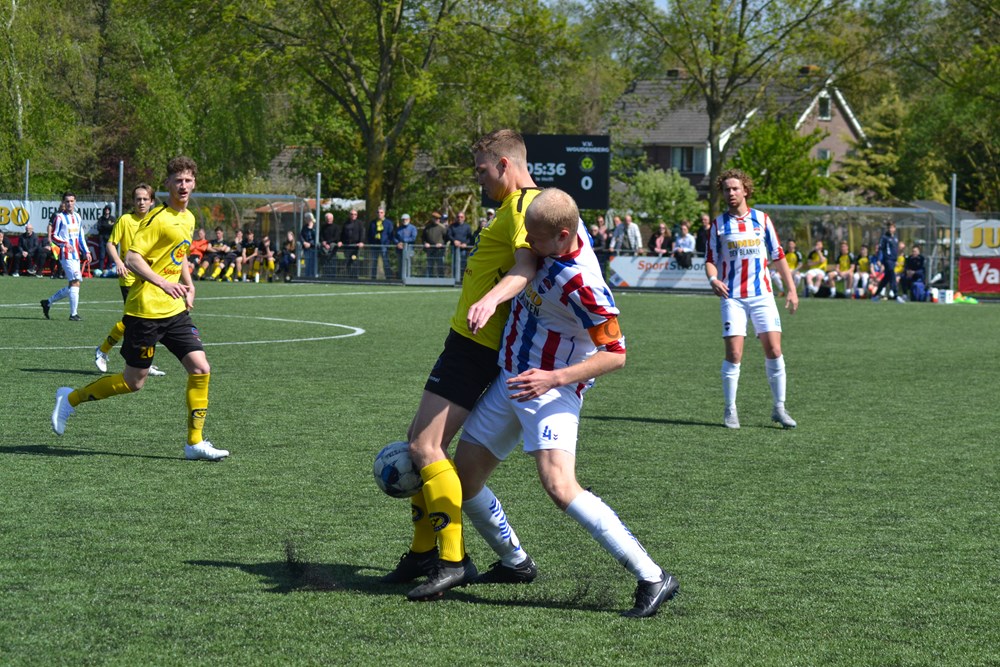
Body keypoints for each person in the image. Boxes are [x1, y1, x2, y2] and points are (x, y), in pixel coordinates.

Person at [453, 188, 679, 618]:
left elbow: (616, 354)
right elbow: (527, 257)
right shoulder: (549, 235)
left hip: (552, 386)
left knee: (559, 486)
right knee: (464, 478)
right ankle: (515, 562)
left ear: (562, 236)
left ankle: (652, 576)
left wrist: (553, 378)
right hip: (514, 378)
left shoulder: (584, 283)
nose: (527, 245)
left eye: (535, 240)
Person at [383, 129, 540, 602]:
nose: (480, 179)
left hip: (476, 346)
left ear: (505, 165)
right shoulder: (515, 207)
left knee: (425, 446)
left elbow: (526, 265)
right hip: (468, 342)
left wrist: (491, 300)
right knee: (420, 446)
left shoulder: (522, 209)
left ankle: (452, 561)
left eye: (482, 169)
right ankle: (422, 552)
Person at [51, 155, 228, 461]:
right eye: (177, 180)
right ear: (168, 184)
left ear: (194, 183)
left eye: (188, 180)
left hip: (174, 311)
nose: (183, 186)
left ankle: (194, 443)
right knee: (134, 382)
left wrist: (189, 283)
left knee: (201, 368)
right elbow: (133, 258)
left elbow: (179, 254)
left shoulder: (188, 218)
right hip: (144, 310)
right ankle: (71, 398)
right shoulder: (157, 218)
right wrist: (163, 283)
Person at [705, 168, 798, 430]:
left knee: (774, 350)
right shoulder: (719, 225)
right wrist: (713, 280)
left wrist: (791, 289)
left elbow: (778, 256)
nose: (731, 193)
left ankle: (779, 408)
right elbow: (710, 261)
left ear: (745, 190)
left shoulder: (762, 220)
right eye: (726, 189)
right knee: (734, 353)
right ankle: (730, 410)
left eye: (735, 188)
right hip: (733, 298)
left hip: (762, 296)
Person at [93, 183, 165, 377]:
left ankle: (144, 361)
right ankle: (103, 351)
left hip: (149, 279)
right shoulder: (125, 220)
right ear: (133, 201)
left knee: (148, 321)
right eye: (138, 199)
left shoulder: (156, 220)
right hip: (129, 277)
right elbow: (110, 243)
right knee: (133, 321)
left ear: (151, 201)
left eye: (145, 199)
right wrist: (118, 261)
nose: (141, 202)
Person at [41, 192, 90, 321]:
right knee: (75, 282)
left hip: (76, 255)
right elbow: (55, 236)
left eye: (72, 201)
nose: (69, 204)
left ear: (75, 202)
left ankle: (48, 302)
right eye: (67, 201)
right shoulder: (60, 218)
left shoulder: (78, 217)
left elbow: (81, 237)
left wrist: (87, 251)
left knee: (73, 285)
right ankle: (73, 314)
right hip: (65, 255)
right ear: (63, 203)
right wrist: (65, 244)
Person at [872, 223, 901, 302]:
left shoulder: (895, 238)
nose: (890, 229)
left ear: (894, 229)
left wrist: (896, 260)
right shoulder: (884, 238)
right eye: (889, 227)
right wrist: (879, 259)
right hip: (887, 260)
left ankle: (875, 295)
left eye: (892, 227)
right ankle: (896, 295)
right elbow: (881, 249)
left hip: (893, 261)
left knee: (886, 279)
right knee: (892, 275)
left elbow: (895, 251)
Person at [367, 207, 394, 280]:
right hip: (374, 245)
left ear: (384, 213)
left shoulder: (388, 223)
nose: (380, 214)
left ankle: (388, 278)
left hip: (384, 245)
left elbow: (391, 235)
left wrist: (387, 243)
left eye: (381, 212)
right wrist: (371, 243)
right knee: (374, 262)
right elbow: (369, 234)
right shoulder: (373, 223)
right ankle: (373, 278)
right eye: (378, 212)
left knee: (386, 262)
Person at [447, 210, 473, 278]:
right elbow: (449, 235)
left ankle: (462, 278)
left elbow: (470, 237)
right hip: (454, 248)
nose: (460, 218)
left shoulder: (467, 227)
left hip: (463, 249)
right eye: (458, 217)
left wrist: (465, 244)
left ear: (464, 218)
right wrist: (454, 241)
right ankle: (454, 278)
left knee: (463, 263)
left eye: (461, 217)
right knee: (454, 263)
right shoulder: (452, 226)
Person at [340, 209, 365, 279]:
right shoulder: (346, 223)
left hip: (355, 247)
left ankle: (355, 277)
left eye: (355, 214)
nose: (353, 215)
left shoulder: (359, 223)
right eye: (352, 214)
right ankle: (349, 276)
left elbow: (362, 233)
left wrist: (361, 242)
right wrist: (340, 241)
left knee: (354, 260)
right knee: (348, 261)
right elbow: (342, 234)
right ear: (349, 215)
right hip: (347, 246)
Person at [421, 211, 447, 278]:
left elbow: (446, 238)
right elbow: (423, 237)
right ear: (432, 218)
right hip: (430, 250)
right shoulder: (427, 228)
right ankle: (430, 280)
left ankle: (442, 280)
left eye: (438, 218)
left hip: (439, 250)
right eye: (435, 218)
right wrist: (425, 243)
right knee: (430, 265)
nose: (437, 220)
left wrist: (441, 244)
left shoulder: (442, 228)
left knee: (440, 265)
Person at [319, 212, 341, 278]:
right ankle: (325, 276)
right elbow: (321, 236)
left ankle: (333, 276)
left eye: (330, 218)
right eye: (327, 218)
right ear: (325, 219)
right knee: (325, 262)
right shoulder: (323, 227)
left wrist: (328, 243)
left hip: (332, 248)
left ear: (332, 219)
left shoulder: (336, 227)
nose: (329, 220)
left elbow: (336, 237)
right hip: (324, 248)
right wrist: (323, 242)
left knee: (332, 262)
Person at [394, 213, 417, 277]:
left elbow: (413, 238)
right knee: (400, 264)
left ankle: (408, 278)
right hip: (400, 249)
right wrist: (398, 243)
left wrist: (404, 242)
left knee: (408, 264)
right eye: (403, 219)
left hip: (409, 249)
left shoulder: (413, 228)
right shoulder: (398, 228)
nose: (404, 221)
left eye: (406, 219)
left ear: (409, 219)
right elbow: (395, 237)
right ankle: (400, 278)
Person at [95, 205, 115, 270]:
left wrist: (105, 226)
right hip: (102, 239)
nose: (107, 211)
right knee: (102, 255)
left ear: (110, 211)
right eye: (106, 209)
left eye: (108, 209)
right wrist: (108, 226)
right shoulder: (101, 219)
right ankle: (100, 269)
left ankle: (108, 269)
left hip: (110, 239)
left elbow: (114, 228)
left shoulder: (112, 219)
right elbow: (99, 228)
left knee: (110, 255)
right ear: (104, 210)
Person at [300, 213, 317, 278]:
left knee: (312, 262)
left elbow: (316, 237)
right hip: (306, 248)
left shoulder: (315, 227)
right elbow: (301, 236)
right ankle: (307, 276)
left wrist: (310, 244)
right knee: (307, 262)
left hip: (313, 248)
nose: (305, 220)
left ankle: (313, 276)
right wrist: (304, 242)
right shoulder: (304, 227)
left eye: (306, 218)